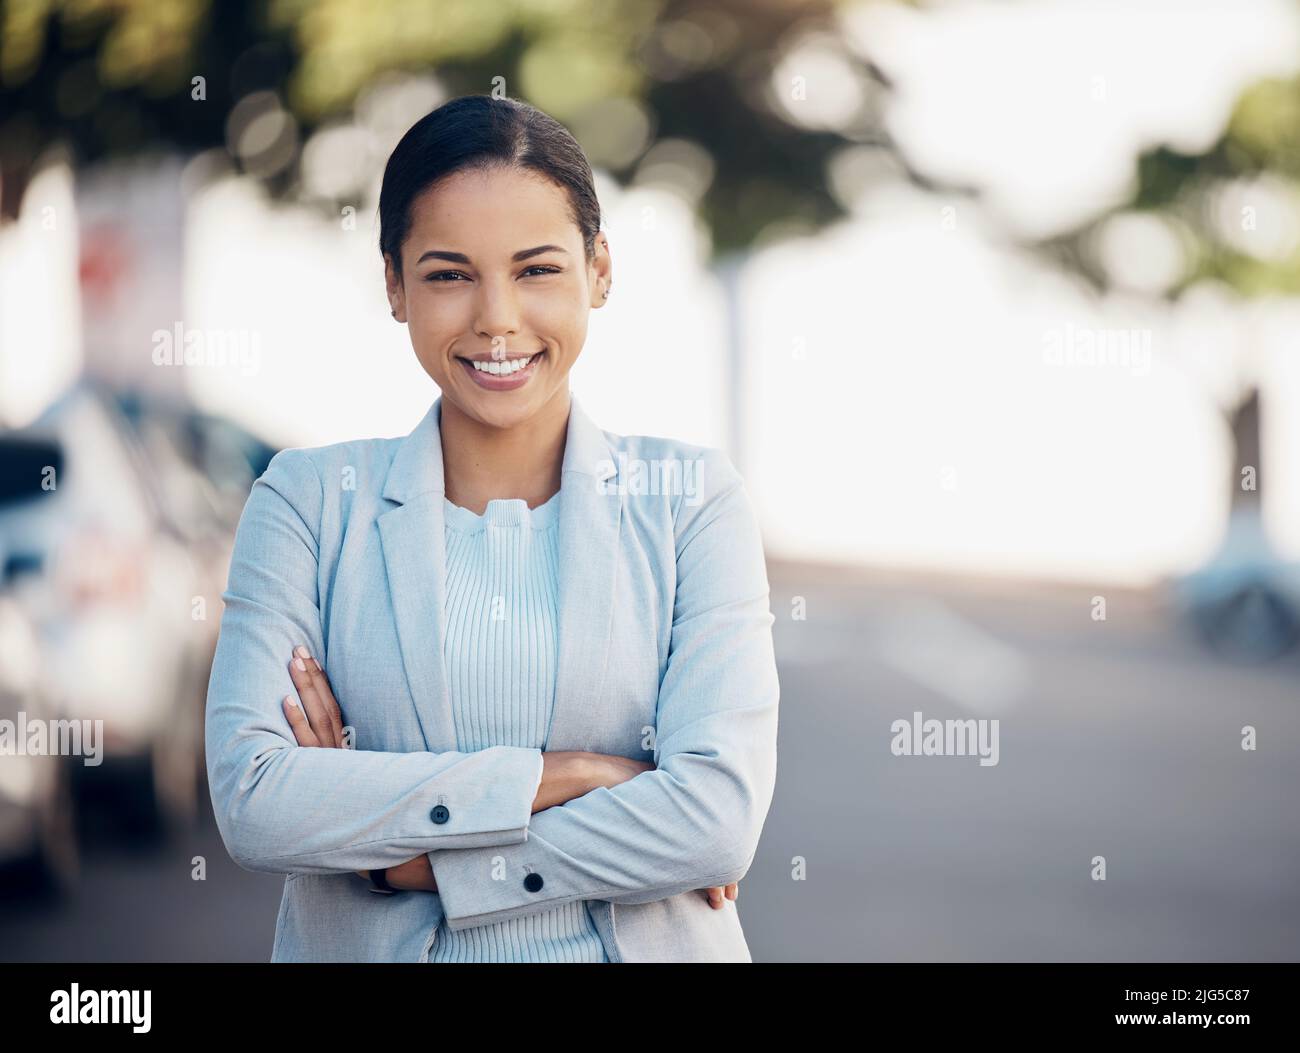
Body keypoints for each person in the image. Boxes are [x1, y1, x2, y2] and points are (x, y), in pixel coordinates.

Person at [204, 94, 780, 962]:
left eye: (537, 269)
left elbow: (712, 823)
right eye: (448, 273)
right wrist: (565, 776)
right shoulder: (310, 501)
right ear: (395, 285)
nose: (496, 318)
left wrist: (414, 858)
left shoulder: (691, 501)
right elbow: (258, 800)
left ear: (600, 271)